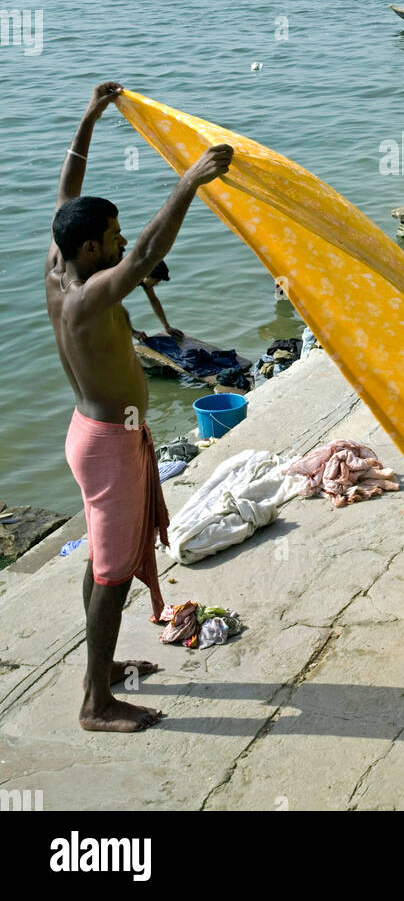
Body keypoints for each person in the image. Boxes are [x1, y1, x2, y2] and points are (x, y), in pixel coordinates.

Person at [45, 82, 234, 732]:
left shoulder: (59, 257)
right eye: (113, 237)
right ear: (92, 250)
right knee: (113, 575)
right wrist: (191, 181)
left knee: (105, 566)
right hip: (109, 445)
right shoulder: (88, 297)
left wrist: (90, 114)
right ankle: (96, 702)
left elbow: (70, 185)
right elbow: (152, 252)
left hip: (94, 432)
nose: (123, 243)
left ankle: (105, 670)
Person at [129, 261, 182, 342]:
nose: (156, 284)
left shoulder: (142, 275)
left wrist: (167, 326)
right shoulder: (127, 279)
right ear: (146, 275)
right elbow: (115, 308)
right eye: (156, 280)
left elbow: (153, 300)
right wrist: (133, 332)